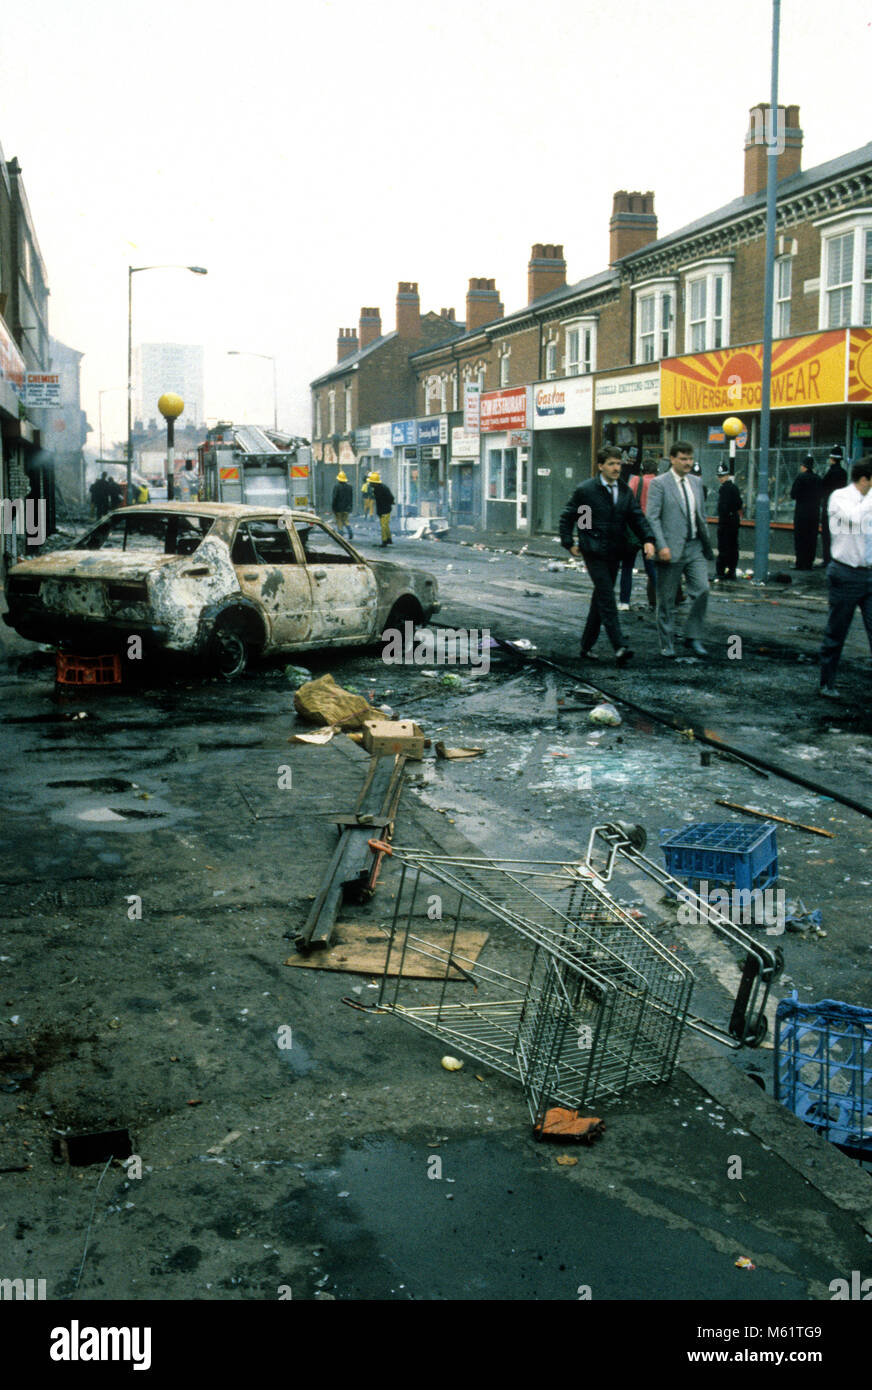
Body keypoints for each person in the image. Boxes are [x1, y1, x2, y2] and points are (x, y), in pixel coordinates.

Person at [558, 445, 655, 666]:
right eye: (611, 464)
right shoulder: (587, 490)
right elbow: (570, 516)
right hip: (593, 551)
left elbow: (636, 517)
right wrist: (570, 542)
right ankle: (619, 646)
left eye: (618, 463)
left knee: (600, 597)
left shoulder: (623, 490)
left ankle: (586, 645)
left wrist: (648, 540)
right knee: (607, 596)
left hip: (614, 551)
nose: (616, 468)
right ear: (600, 466)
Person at [646, 441, 714, 658]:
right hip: (670, 548)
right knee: (666, 599)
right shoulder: (659, 484)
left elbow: (700, 515)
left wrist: (706, 541)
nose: (688, 463)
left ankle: (692, 636)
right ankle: (667, 643)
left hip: (695, 546)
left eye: (690, 459)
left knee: (702, 589)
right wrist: (661, 545)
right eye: (683, 459)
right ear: (672, 459)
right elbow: (652, 517)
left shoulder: (696, 482)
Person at [818, 457, 872, 698]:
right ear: (865, 479)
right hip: (845, 572)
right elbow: (856, 519)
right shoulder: (840, 497)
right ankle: (826, 683)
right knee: (836, 631)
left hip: (869, 573)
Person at [621, 458, 659, 610]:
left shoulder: (636, 481)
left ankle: (624, 602)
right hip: (650, 529)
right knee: (651, 567)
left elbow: (626, 501)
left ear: (642, 470)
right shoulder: (660, 483)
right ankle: (661, 602)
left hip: (634, 528)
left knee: (627, 566)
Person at [790, 455, 821, 570]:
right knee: (811, 538)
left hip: (802, 512)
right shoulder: (818, 479)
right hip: (814, 512)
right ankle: (809, 563)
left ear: (804, 467)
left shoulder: (800, 478)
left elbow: (793, 494)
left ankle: (800, 563)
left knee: (800, 538)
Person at [716, 460, 744, 581]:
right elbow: (739, 504)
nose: (720, 478)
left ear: (727, 476)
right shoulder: (734, 487)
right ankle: (731, 570)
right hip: (734, 521)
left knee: (723, 547)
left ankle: (721, 571)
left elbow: (722, 508)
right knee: (733, 547)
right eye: (719, 476)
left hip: (725, 522)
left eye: (722, 476)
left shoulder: (723, 489)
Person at [819, 445, 848, 564]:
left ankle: (827, 559)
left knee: (826, 534)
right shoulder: (843, 473)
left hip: (829, 506)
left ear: (832, 459)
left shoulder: (830, 473)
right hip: (840, 507)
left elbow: (823, 487)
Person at [370, 472, 394, 546]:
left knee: (383, 525)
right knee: (385, 525)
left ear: (375, 482)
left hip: (384, 509)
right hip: (385, 509)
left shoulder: (379, 489)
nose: (370, 484)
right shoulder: (381, 488)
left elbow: (386, 499)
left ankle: (384, 541)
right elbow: (391, 498)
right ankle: (389, 539)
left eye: (371, 482)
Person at [331, 470, 353, 539]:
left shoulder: (336, 487)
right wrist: (350, 507)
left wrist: (333, 507)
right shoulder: (350, 487)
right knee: (346, 520)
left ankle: (340, 534)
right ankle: (350, 531)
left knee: (339, 520)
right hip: (347, 508)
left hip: (338, 508)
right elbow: (351, 498)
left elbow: (334, 497)